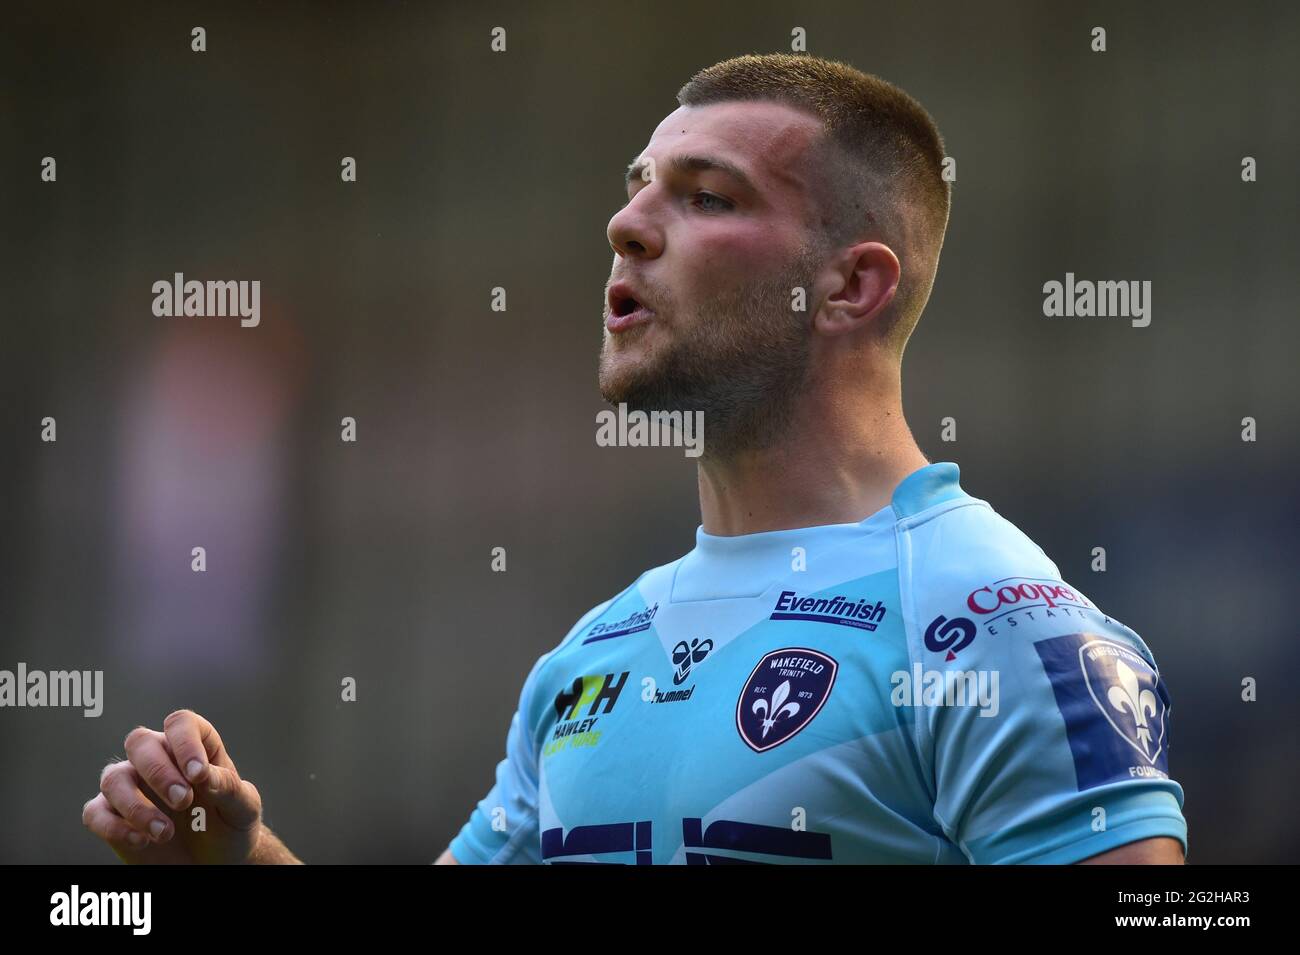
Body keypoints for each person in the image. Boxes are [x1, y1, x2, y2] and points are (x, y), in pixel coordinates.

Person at [83, 53, 1186, 865]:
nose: (627, 224)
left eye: (706, 197)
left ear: (850, 287)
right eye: (638, 185)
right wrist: (231, 858)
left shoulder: (996, 625)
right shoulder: (592, 655)